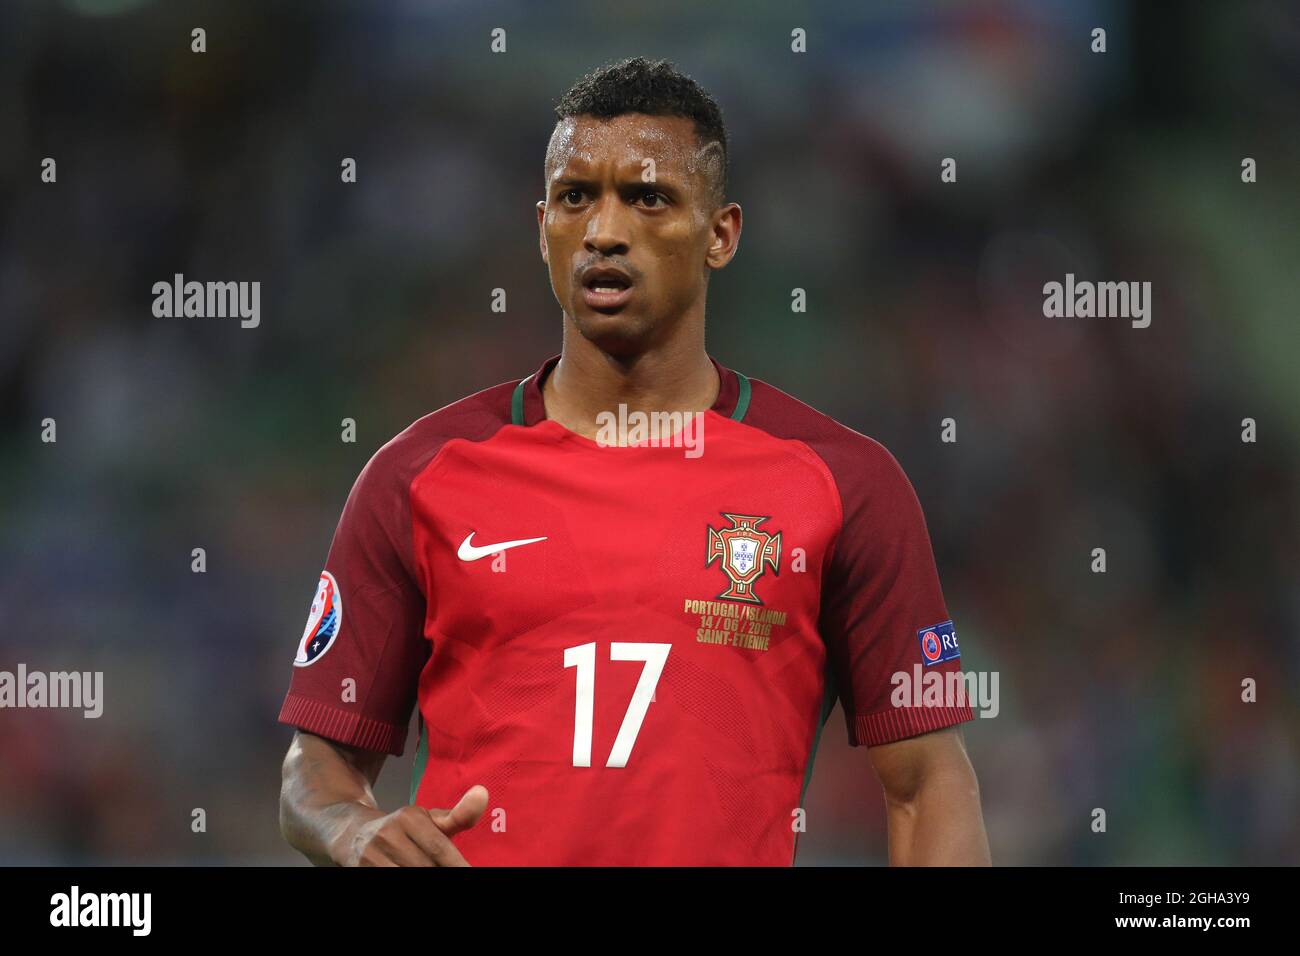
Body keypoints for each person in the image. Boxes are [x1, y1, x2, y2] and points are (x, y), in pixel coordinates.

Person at [277, 56, 990, 866]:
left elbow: (927, 781)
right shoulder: (416, 476)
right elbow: (317, 765)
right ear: (541, 223)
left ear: (720, 233)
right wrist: (350, 826)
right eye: (577, 197)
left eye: (649, 198)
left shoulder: (845, 484)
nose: (605, 231)